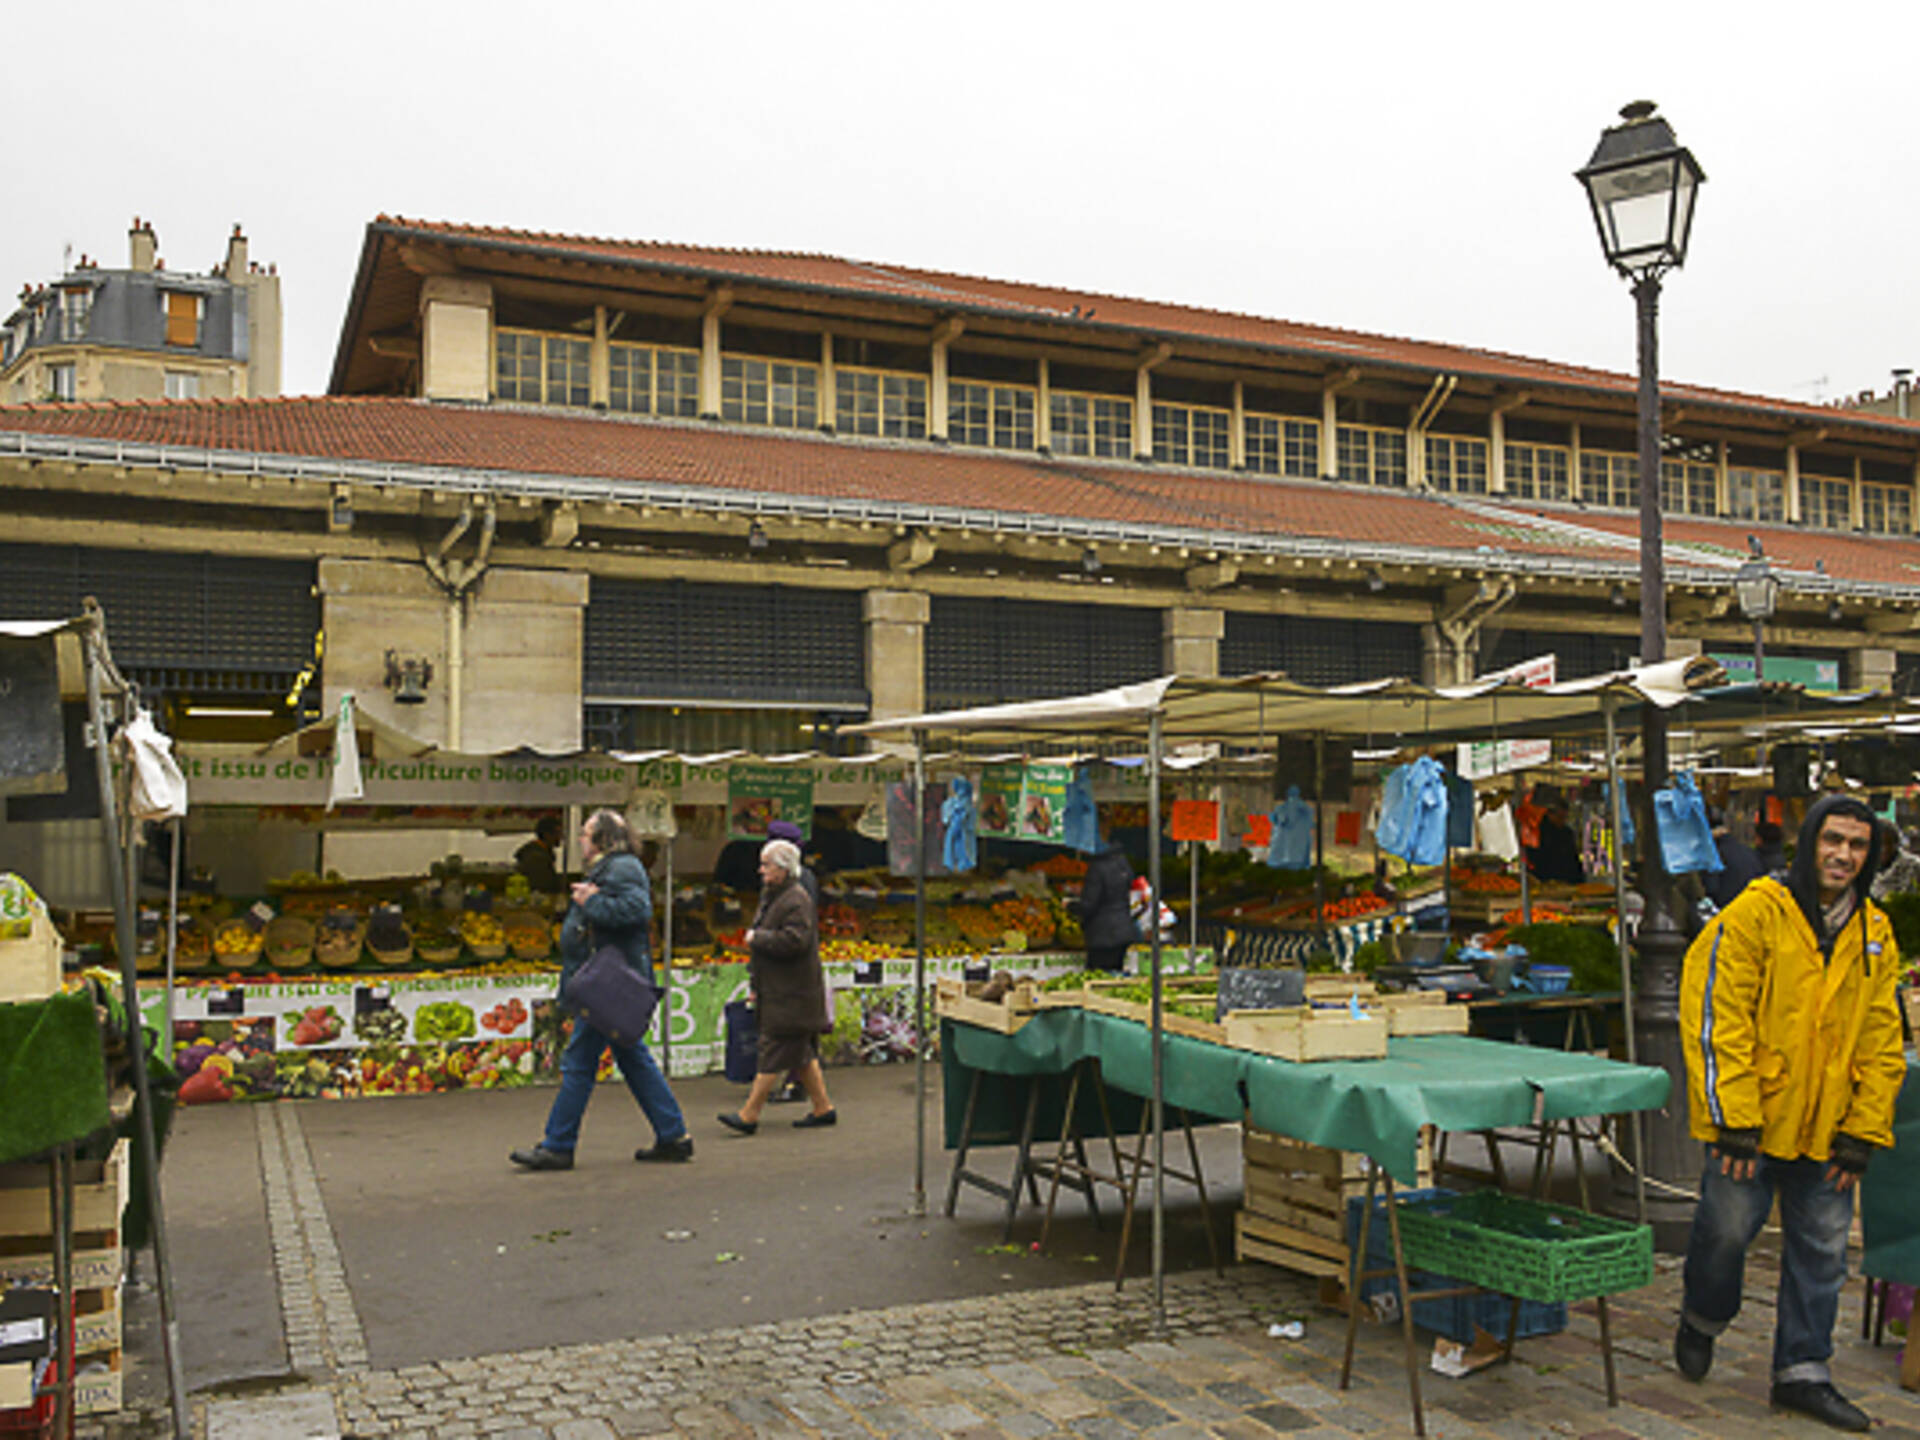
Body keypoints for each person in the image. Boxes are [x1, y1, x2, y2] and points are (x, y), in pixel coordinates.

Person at [1673, 795, 1906, 1432]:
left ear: (1870, 856)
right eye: (1833, 841)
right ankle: (1702, 1316)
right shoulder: (1755, 914)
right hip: (1752, 1124)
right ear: (1809, 843)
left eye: (1858, 846)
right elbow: (1717, 1014)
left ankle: (1802, 1372)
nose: (1843, 856)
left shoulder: (1874, 933)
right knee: (1724, 1235)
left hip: (1830, 1129)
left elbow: (1883, 1040)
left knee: (1823, 1255)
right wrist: (1734, 1118)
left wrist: (1863, 1129)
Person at [511, 809, 692, 1171]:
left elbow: (637, 909)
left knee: (579, 1062)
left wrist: (590, 902)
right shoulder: (615, 867)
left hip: (607, 985)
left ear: (604, 839)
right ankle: (672, 1135)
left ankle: (559, 1145)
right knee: (632, 1058)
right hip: (608, 983)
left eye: (585, 833)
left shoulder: (622, 867)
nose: (579, 839)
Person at [718, 839, 836, 1134]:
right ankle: (823, 1108)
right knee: (802, 1053)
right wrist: (757, 983)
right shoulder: (775, 895)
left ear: (783, 869)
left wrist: (758, 939)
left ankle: (749, 1115)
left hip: (792, 993)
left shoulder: (795, 899)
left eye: (766, 865)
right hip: (783, 989)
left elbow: (797, 941)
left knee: (772, 1049)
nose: (760, 870)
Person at [1075, 840, 1135, 974]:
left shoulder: (1097, 868)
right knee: (1115, 973)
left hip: (1103, 934)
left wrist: (1071, 906)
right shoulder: (1123, 862)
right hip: (1123, 929)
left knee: (1097, 975)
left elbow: (1089, 905)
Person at [1525, 802, 1586, 885]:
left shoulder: (1566, 833)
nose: (1562, 821)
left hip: (1564, 878)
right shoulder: (1539, 833)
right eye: (1560, 817)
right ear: (1550, 815)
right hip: (1545, 878)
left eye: (1564, 818)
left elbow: (1573, 857)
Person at [513, 815, 565, 894]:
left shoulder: (539, 853)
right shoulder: (537, 858)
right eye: (557, 833)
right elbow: (545, 887)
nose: (560, 836)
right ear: (546, 834)